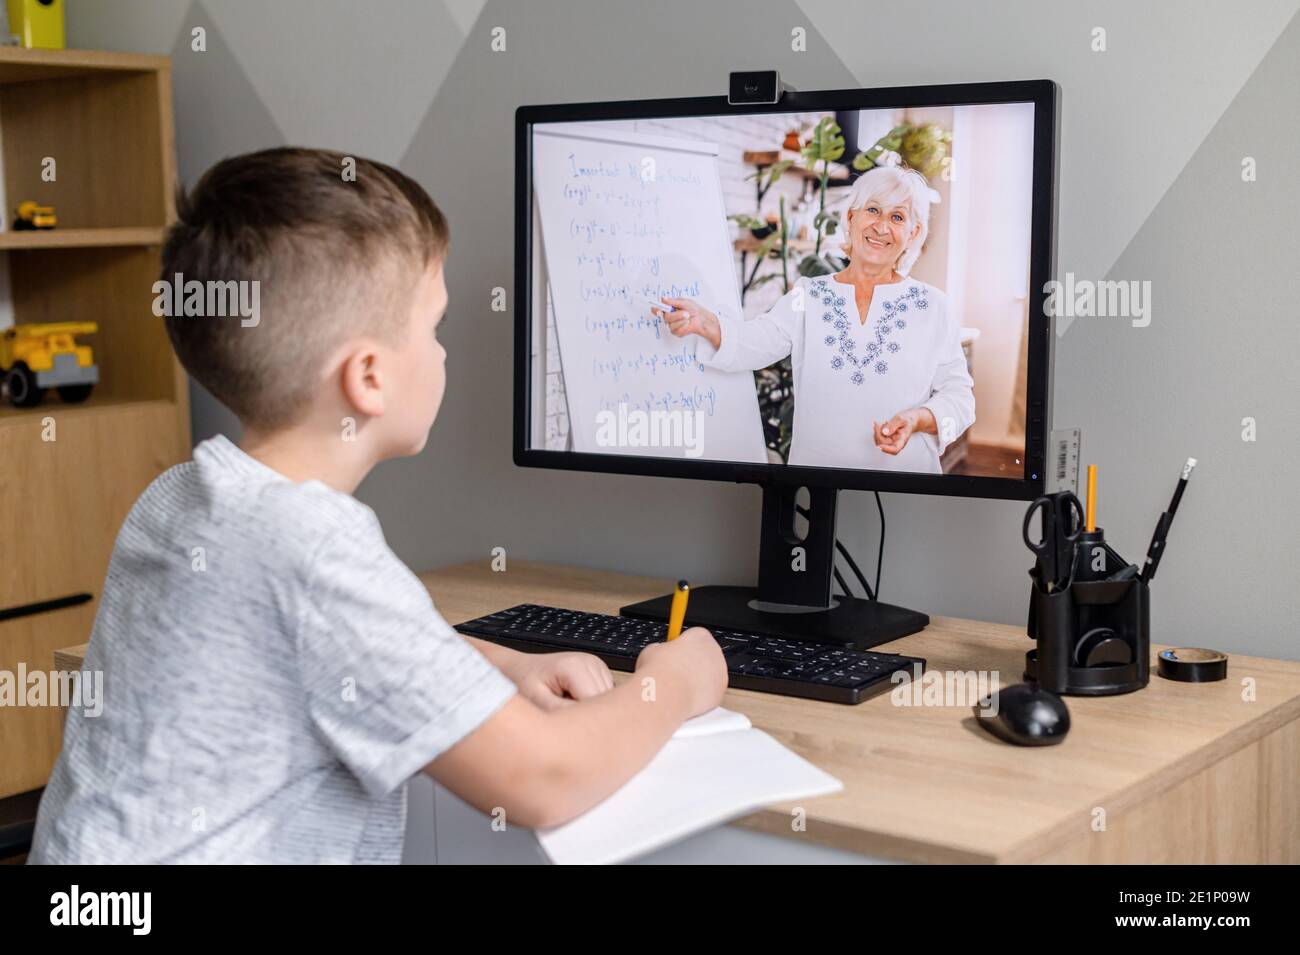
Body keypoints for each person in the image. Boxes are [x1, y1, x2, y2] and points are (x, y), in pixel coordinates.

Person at [30, 148, 726, 864]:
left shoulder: (178, 498)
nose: (444, 354)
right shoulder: (314, 548)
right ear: (368, 376)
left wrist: (498, 665)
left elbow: (309, 648)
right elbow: (546, 776)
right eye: (434, 327)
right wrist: (667, 686)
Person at [656, 165, 974, 472]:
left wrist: (918, 418)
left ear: (913, 232)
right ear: (851, 217)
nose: (881, 227)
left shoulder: (933, 306)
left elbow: (960, 399)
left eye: (897, 217)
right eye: (873, 210)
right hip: (818, 482)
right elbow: (755, 342)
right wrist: (705, 321)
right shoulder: (810, 295)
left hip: (905, 486)